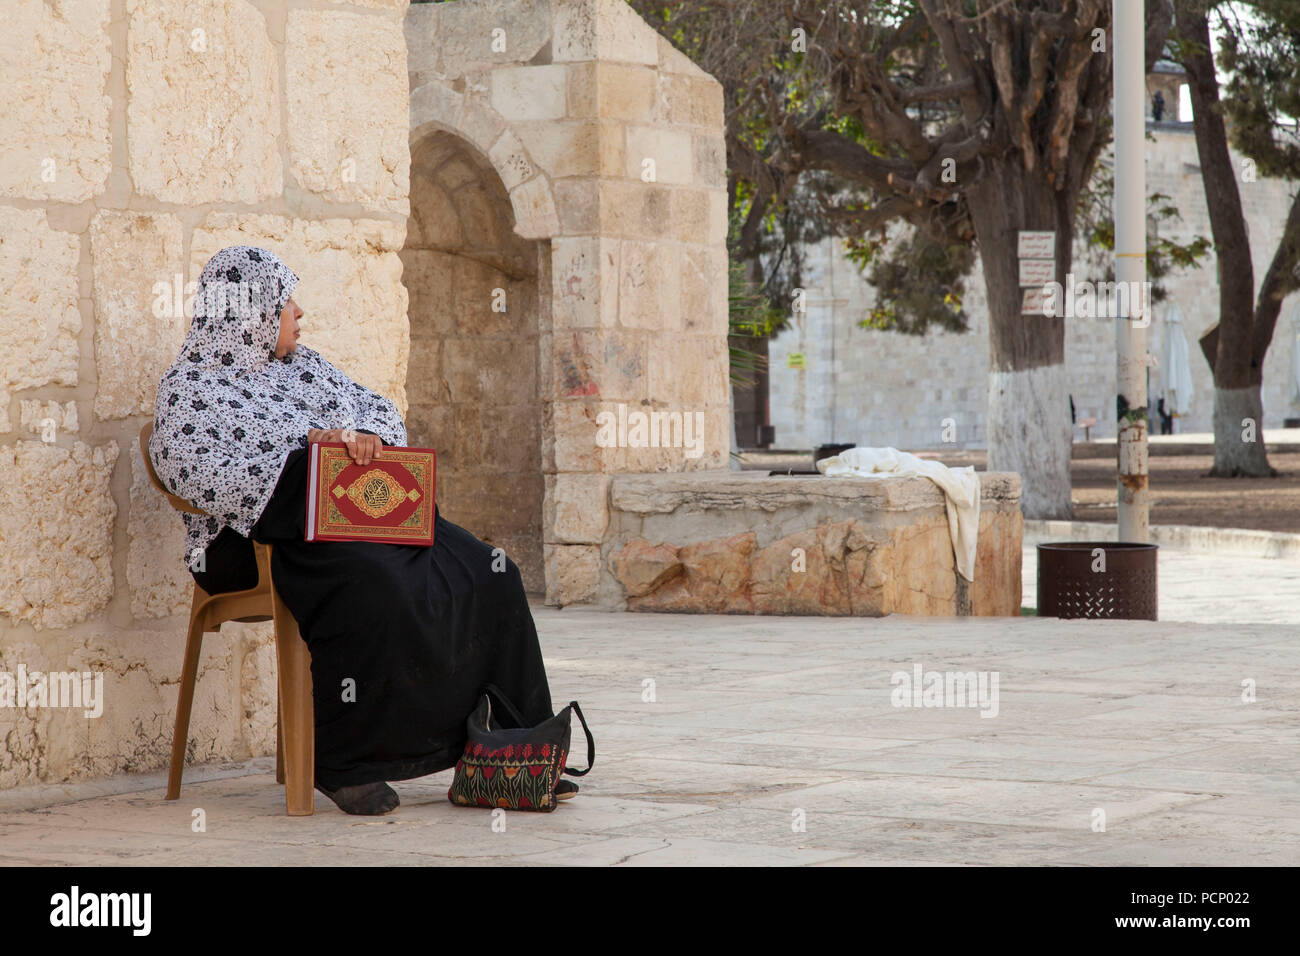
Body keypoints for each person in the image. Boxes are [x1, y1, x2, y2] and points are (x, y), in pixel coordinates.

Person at [149, 245, 574, 814]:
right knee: (377, 584)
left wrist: (356, 437)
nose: (298, 314)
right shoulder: (191, 387)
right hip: (256, 540)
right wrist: (304, 447)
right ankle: (345, 762)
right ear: (245, 311)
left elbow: (376, 410)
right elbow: (188, 466)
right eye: (284, 303)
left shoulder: (304, 366)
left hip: (356, 514)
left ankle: (513, 753)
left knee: (489, 573)